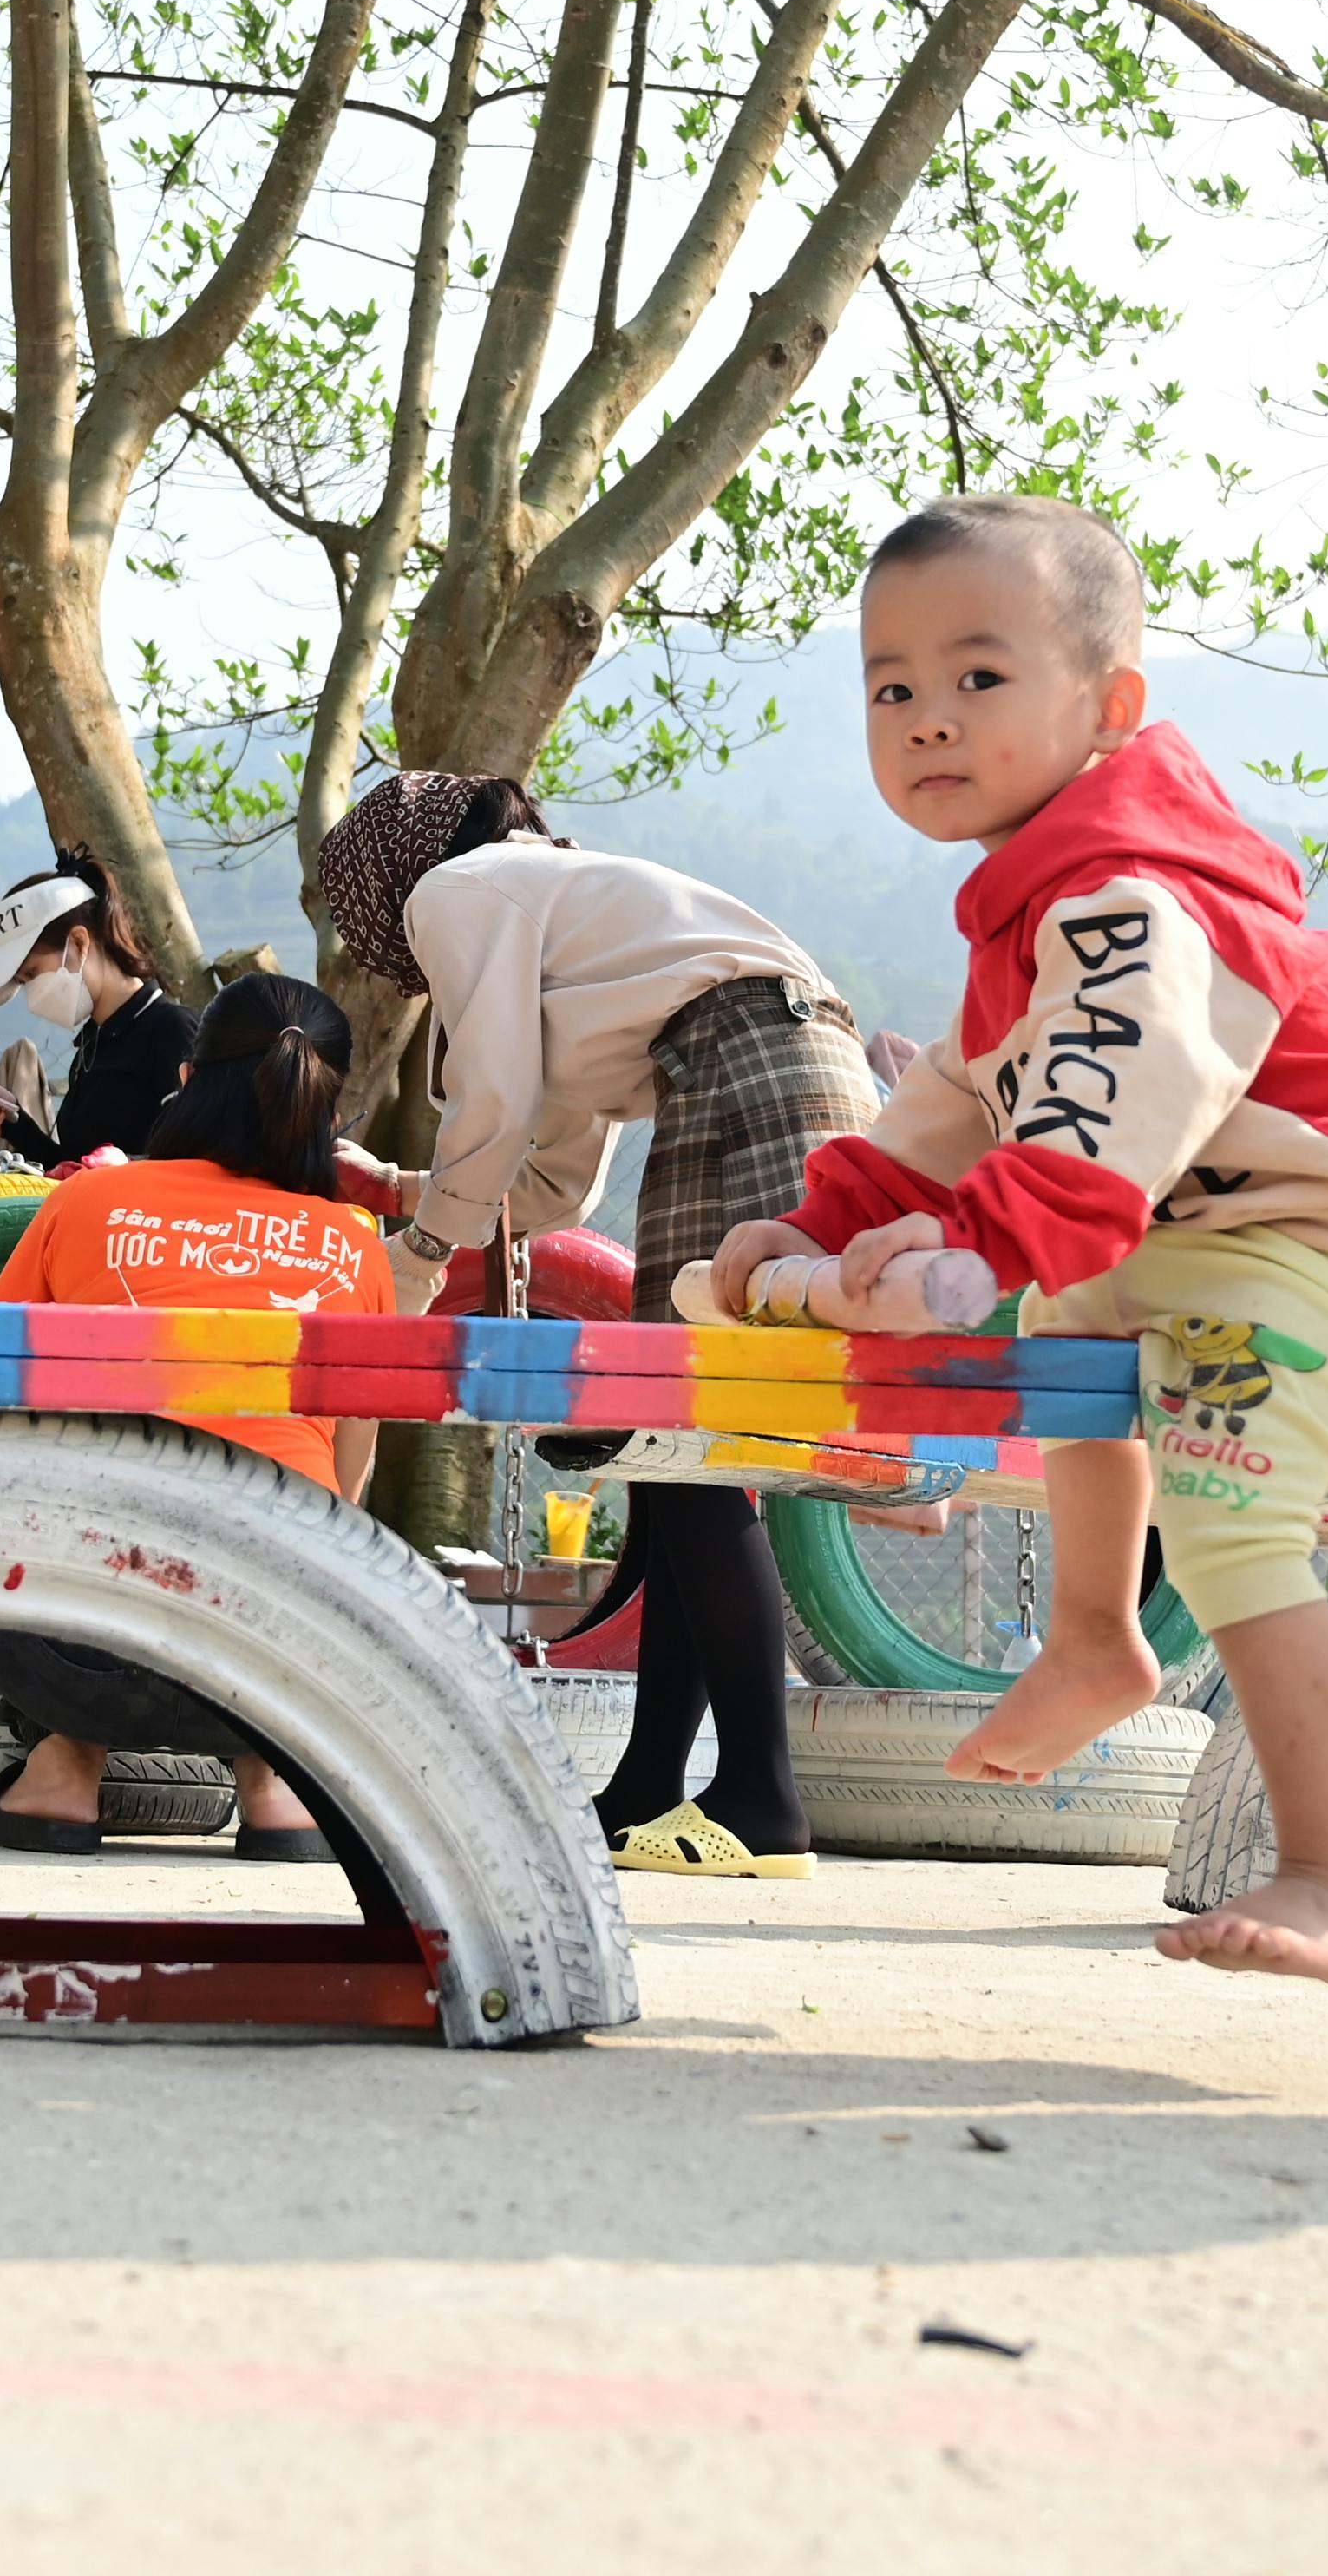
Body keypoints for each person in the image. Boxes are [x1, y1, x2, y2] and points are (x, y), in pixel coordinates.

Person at [710, 496, 1328, 1988]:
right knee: (1072, 1305)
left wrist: (959, 1255)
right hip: (1184, 1226)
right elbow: (953, 1099)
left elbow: (1087, 1126)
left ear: (1108, 702)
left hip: (1323, 1232)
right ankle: (1090, 1636)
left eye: (978, 676)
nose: (927, 718)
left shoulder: (1139, 899)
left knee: (1228, 1515)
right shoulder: (1037, 896)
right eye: (890, 688)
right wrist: (818, 1220)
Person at [316, 765, 860, 1882]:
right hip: (782, 1068)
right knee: (675, 1452)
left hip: (744, 1078)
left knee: (693, 1456)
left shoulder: (459, 890)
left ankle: (761, 1794)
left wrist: (417, 1258)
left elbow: (497, 1106)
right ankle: (650, 1785)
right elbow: (551, 1183)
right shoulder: (560, 912)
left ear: (386, 873)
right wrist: (410, 1191)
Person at [0, 973, 389, 1858]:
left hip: (73, 1644)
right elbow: (346, 1479)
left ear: (185, 1082)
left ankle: (66, 1769)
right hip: (276, 1655)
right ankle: (275, 1787)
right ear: (324, 1111)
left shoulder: (84, 1202)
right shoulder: (353, 1247)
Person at [0, 850, 198, 1168]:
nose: (32, 996)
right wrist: (14, 1126)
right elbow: (71, 1170)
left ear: (79, 944)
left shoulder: (171, 1029)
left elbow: (196, 1159)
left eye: (31, 974)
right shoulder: (92, 1047)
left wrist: (126, 1166)